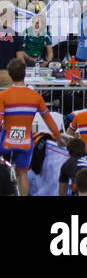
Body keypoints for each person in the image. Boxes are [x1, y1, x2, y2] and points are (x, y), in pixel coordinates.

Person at [0, 59, 65, 194]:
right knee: (23, 174)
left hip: (6, 140)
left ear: (10, 75)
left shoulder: (3, 96)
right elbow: (47, 118)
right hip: (26, 140)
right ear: (25, 74)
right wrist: (58, 136)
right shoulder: (35, 96)